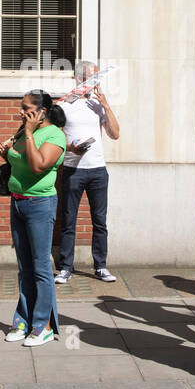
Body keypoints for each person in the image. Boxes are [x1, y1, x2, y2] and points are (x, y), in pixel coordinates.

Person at [0, 90, 67, 347]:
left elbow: (37, 167)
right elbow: (20, 163)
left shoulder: (54, 135)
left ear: (41, 111)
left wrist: (28, 134)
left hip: (40, 205)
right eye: (21, 108)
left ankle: (43, 325)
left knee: (41, 268)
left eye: (26, 108)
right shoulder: (22, 131)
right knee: (24, 267)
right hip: (18, 203)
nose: (21, 112)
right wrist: (6, 153)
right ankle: (22, 321)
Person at [55, 61, 121, 285]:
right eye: (93, 77)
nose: (96, 82)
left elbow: (115, 134)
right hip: (73, 169)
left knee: (99, 221)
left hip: (97, 171)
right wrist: (69, 146)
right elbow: (53, 136)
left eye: (98, 77)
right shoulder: (63, 105)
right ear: (80, 78)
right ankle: (65, 267)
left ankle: (100, 266)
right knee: (68, 221)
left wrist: (106, 105)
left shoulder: (97, 103)